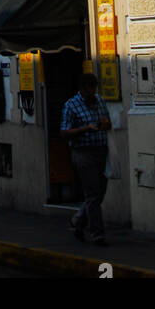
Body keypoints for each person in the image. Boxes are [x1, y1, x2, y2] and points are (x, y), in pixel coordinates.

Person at [61, 72, 112, 246]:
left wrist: (105, 124)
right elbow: (64, 131)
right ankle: (97, 233)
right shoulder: (71, 105)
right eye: (90, 90)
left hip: (101, 150)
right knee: (92, 193)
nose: (93, 93)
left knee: (99, 192)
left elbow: (108, 121)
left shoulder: (100, 101)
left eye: (94, 89)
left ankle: (77, 221)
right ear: (82, 89)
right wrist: (85, 129)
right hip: (83, 152)